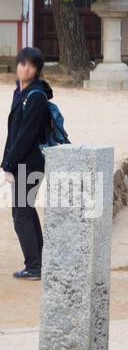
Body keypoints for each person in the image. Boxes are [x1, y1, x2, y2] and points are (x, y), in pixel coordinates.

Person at [3, 47, 51, 280]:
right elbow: (12, 132)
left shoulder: (36, 97)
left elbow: (26, 135)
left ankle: (34, 266)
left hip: (31, 163)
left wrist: (10, 163)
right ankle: (39, 262)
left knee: (21, 215)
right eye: (23, 63)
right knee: (26, 212)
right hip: (20, 161)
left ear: (37, 70)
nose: (25, 68)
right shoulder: (20, 93)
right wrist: (6, 162)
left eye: (31, 66)